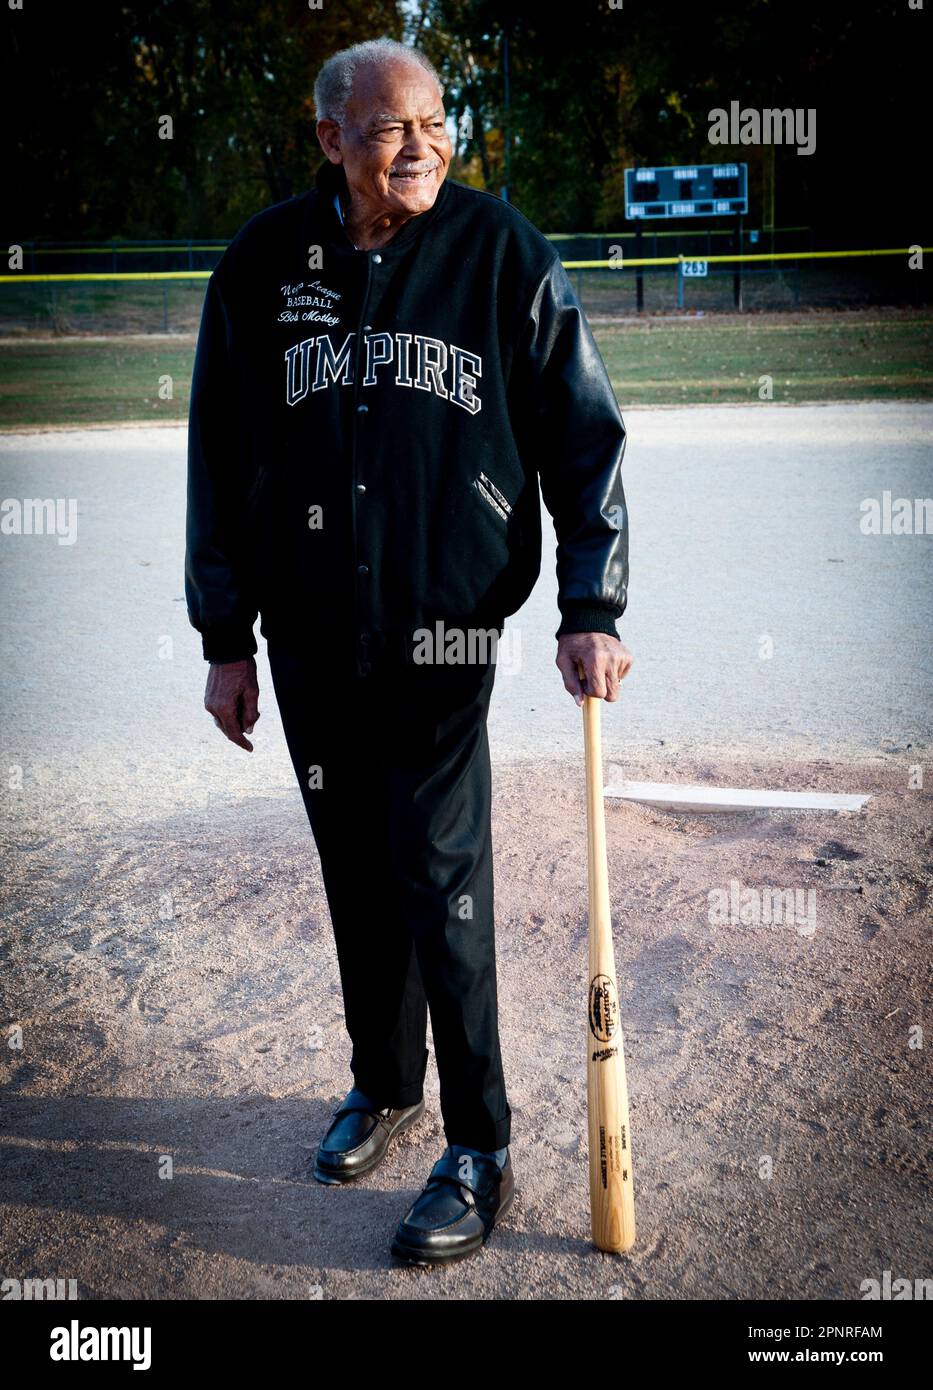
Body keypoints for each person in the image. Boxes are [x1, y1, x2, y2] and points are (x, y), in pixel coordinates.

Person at [185, 36, 632, 1266]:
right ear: (331, 138)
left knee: (440, 874)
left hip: (442, 628)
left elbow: (584, 436)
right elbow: (217, 457)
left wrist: (592, 602)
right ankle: (385, 1084)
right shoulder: (267, 266)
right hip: (310, 631)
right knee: (354, 867)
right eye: (391, 127)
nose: (424, 144)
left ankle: (479, 1141)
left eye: (437, 121)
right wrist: (226, 637)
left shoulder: (500, 252)